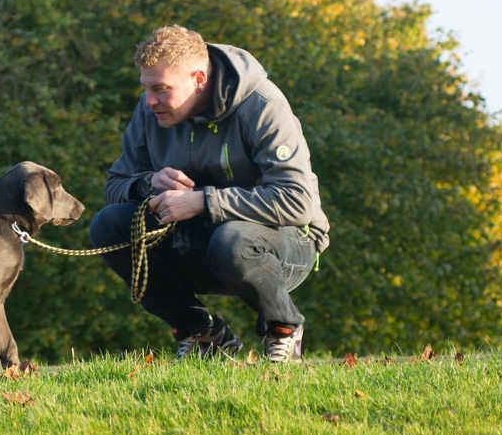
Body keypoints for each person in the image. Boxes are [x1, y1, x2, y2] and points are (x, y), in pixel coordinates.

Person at [89, 25, 329, 363]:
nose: (149, 101)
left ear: (199, 79)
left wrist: (203, 201)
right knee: (107, 225)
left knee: (232, 240)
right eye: (145, 88)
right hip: (199, 244)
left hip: (283, 244)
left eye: (161, 89)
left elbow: (297, 201)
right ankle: (202, 333)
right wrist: (150, 182)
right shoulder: (149, 111)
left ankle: (284, 329)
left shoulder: (262, 106)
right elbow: (114, 186)